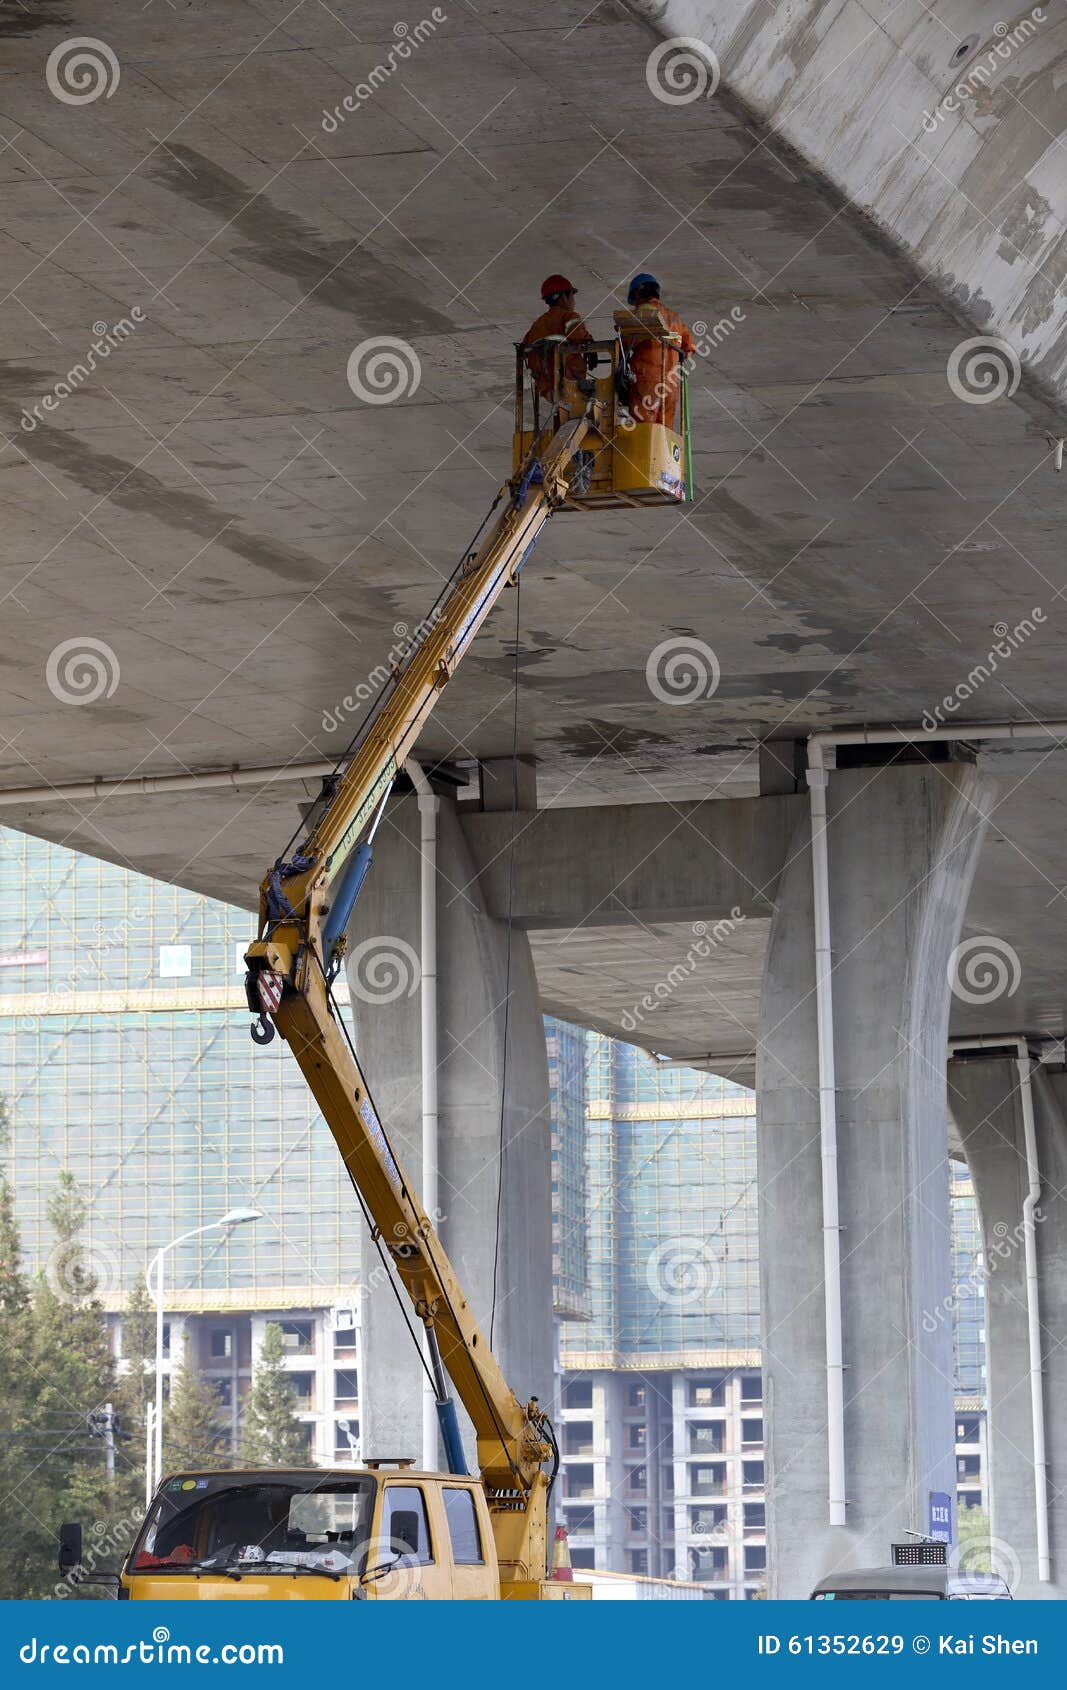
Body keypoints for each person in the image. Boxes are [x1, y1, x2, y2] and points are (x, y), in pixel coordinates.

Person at [622, 272, 695, 430]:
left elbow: (625, 345)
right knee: (664, 433)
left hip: (647, 384)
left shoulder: (642, 313)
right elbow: (688, 348)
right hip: (670, 387)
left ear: (638, 293)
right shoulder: (674, 318)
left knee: (643, 431)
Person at [523, 275, 593, 404]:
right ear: (563, 297)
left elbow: (524, 348)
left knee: (561, 415)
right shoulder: (570, 316)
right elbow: (577, 335)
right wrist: (591, 345)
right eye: (572, 295)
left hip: (546, 386)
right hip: (569, 381)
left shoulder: (538, 323)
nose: (573, 301)